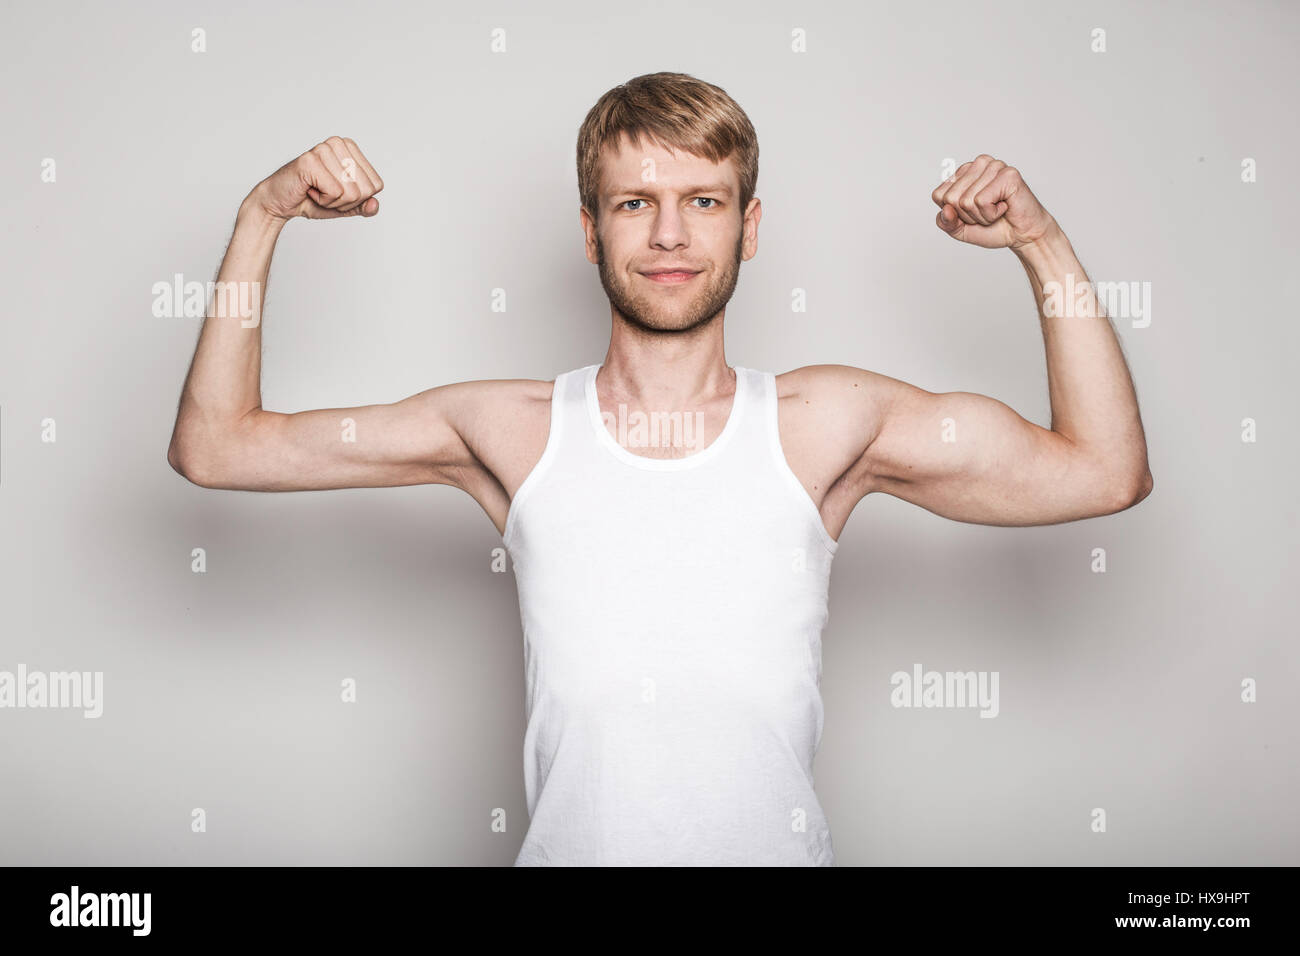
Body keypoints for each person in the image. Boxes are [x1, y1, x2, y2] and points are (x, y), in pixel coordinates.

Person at [166, 72, 1152, 866]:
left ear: (748, 228)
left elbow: (1101, 469)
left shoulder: (825, 426)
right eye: (635, 202)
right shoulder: (510, 430)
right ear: (591, 231)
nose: (670, 233)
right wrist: (263, 215)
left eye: (703, 201)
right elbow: (218, 445)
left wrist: (1038, 241)